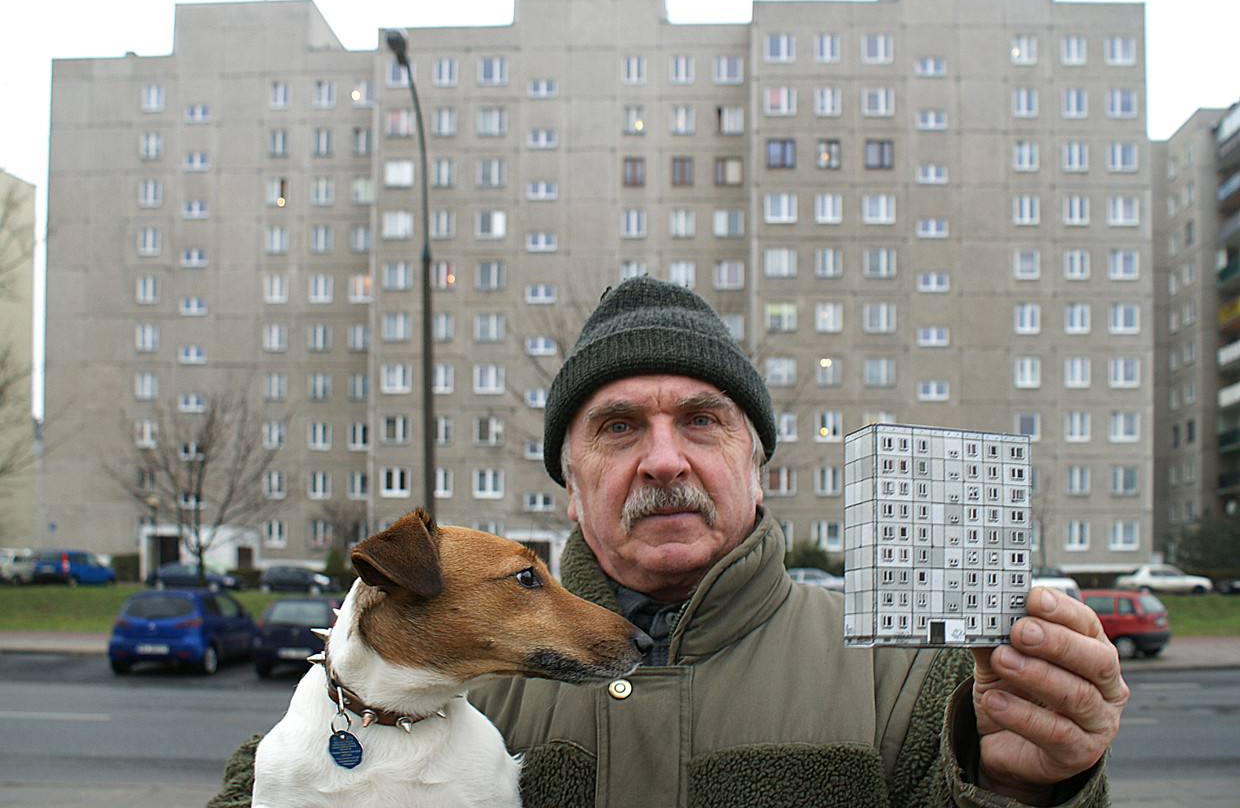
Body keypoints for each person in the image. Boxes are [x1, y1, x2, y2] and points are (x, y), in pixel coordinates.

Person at [208, 275, 1127, 808]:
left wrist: (1036, 788)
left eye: (702, 419)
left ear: (757, 465)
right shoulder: (422, 678)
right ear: (570, 488)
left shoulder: (916, 672)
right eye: (615, 428)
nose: (660, 459)